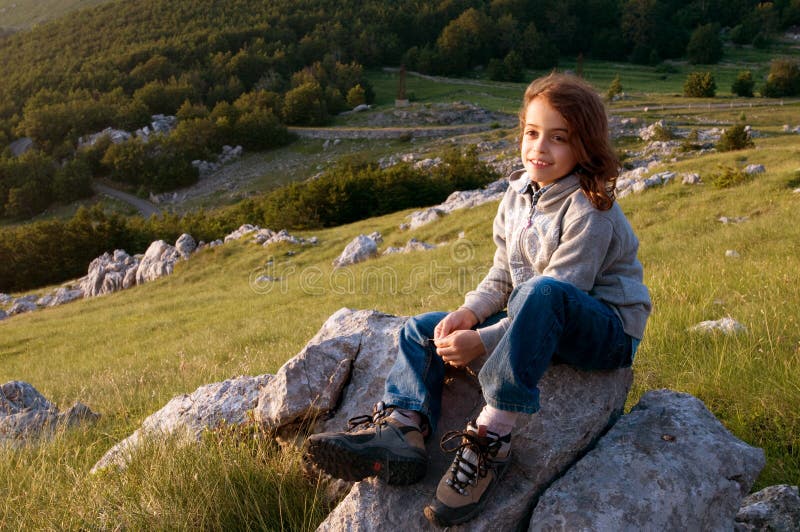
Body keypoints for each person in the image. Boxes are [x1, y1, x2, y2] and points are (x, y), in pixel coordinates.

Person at [305, 73, 652, 527]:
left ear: (585, 146)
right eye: (532, 133)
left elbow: (560, 293)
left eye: (559, 138)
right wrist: (468, 314)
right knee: (421, 330)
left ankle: (492, 436)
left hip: (604, 330)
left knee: (542, 291)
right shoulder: (517, 195)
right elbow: (503, 275)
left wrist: (484, 341)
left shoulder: (590, 209)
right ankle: (404, 429)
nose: (539, 148)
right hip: (534, 313)